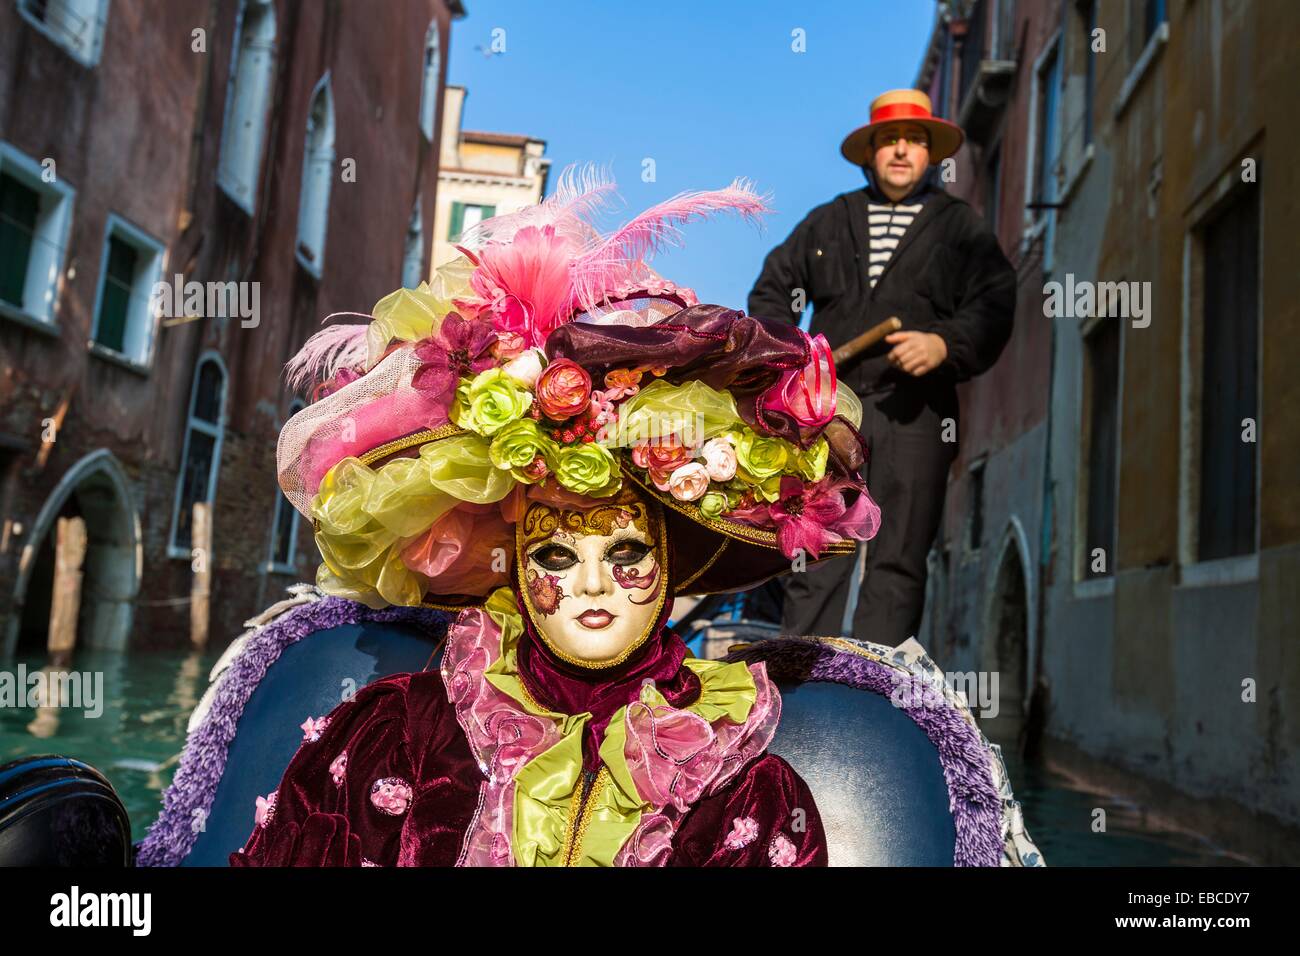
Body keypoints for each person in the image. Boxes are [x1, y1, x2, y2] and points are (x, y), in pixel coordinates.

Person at [229, 171, 880, 866]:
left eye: (626, 554)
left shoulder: (746, 793)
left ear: (670, 564)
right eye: (557, 556)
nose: (594, 585)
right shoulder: (399, 734)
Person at [748, 88, 1015, 645]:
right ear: (871, 152)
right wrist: (796, 358)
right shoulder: (828, 222)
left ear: (929, 154)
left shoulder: (959, 227)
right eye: (888, 140)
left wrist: (945, 343)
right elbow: (773, 291)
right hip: (830, 413)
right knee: (818, 548)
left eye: (913, 141)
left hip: (917, 416)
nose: (900, 151)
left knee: (900, 558)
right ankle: (801, 689)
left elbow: (993, 302)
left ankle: (877, 704)